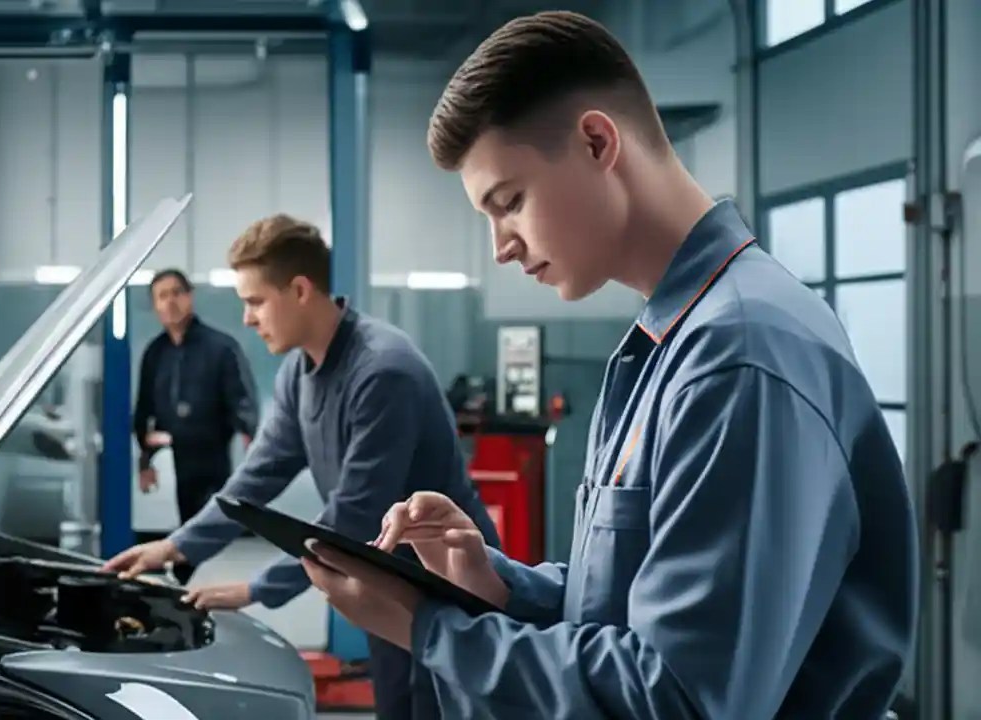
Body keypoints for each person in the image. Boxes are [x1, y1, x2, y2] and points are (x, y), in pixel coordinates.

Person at [298, 11, 918, 720]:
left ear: (597, 142)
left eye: (511, 203)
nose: (501, 245)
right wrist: (497, 586)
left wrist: (427, 627)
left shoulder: (738, 358)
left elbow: (679, 698)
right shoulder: (668, 342)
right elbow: (635, 607)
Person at [102, 215, 501, 720]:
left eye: (255, 301)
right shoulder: (298, 372)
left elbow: (355, 512)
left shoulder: (382, 371)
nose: (246, 318)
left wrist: (255, 589)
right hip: (387, 585)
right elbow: (258, 476)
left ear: (299, 290)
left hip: (453, 587)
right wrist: (174, 546)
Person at [132, 268, 260, 584]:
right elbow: (143, 409)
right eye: (162, 296)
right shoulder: (155, 353)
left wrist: (251, 439)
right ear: (154, 306)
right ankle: (177, 580)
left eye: (177, 292)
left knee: (206, 526)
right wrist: (144, 461)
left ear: (190, 297)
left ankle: (184, 578)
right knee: (178, 531)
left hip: (210, 456)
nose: (171, 301)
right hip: (169, 458)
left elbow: (243, 402)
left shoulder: (220, 348)